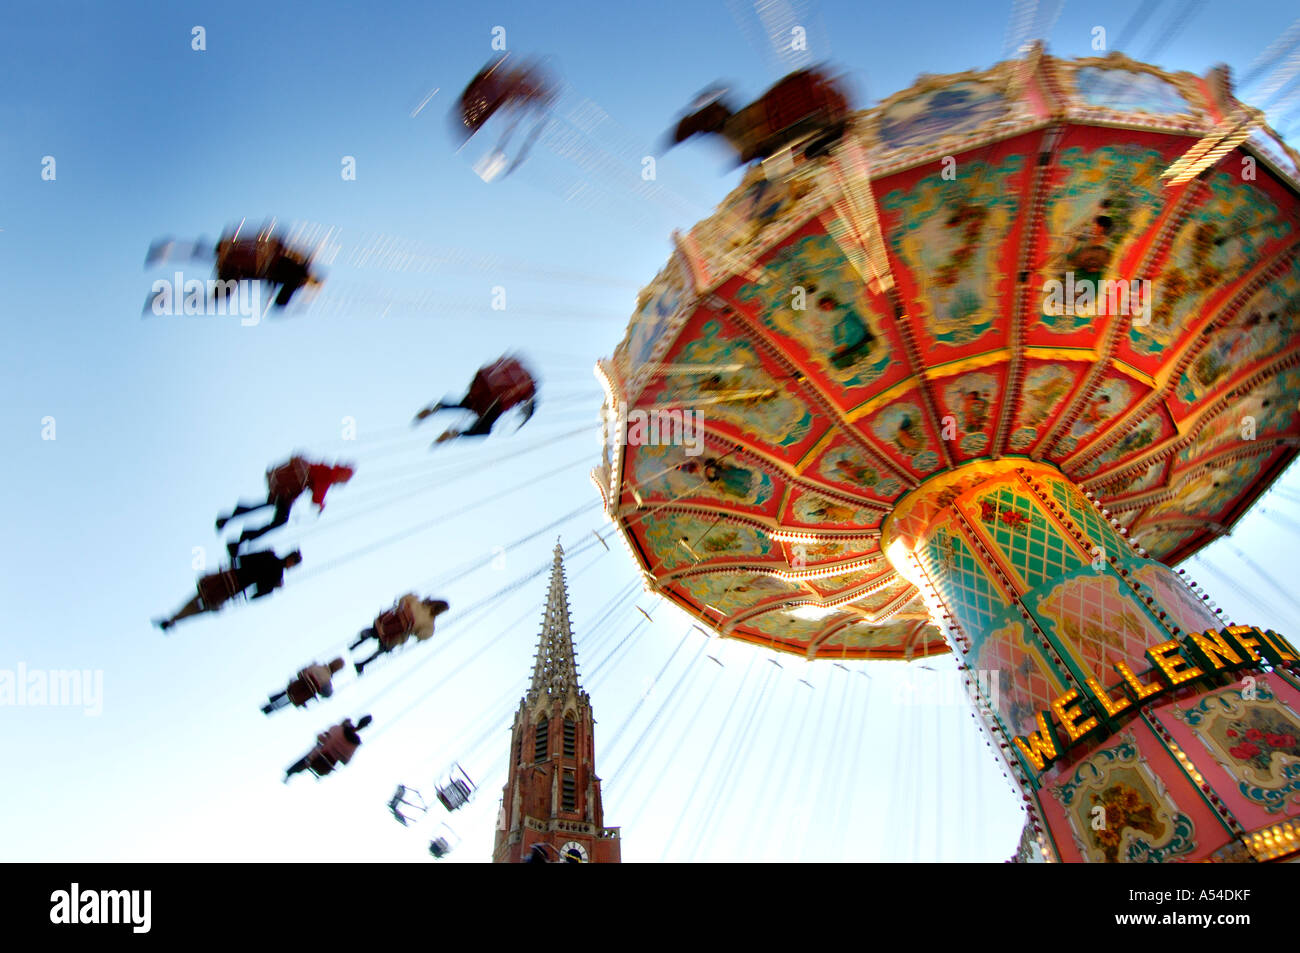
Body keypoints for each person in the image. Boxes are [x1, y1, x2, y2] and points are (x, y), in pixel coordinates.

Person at [217, 456, 354, 557]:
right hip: (287, 495)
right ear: (341, 475)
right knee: (279, 522)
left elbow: (312, 480)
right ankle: (239, 542)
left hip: (284, 489)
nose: (343, 482)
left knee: (263, 505)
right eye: (344, 479)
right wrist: (321, 505)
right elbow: (316, 499)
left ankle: (228, 518)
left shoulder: (324, 467)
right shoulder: (328, 477)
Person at [154, 549, 302, 631]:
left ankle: (173, 618)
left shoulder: (269, 554)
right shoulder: (277, 575)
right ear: (291, 562)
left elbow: (245, 558)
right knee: (203, 607)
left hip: (228, 575)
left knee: (197, 597)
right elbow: (259, 591)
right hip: (232, 589)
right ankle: (174, 619)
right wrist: (275, 587)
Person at [413, 356, 537, 445]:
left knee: (467, 405)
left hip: (482, 387)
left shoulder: (515, 368)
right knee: (483, 431)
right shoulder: (529, 388)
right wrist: (518, 424)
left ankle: (437, 408)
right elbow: (528, 410)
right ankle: (455, 434)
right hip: (495, 402)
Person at [350, 594, 451, 675]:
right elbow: (422, 636)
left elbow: (403, 598)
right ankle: (362, 664)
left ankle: (357, 642)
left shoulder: (416, 600)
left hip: (385, 621)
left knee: (373, 631)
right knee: (382, 650)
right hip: (395, 636)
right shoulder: (429, 625)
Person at [284, 715, 373, 781]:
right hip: (326, 767)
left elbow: (321, 738)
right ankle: (291, 772)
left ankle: (291, 772)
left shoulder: (338, 729)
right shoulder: (354, 744)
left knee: (316, 750)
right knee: (318, 752)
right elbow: (346, 761)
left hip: (316, 757)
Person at [262, 658, 345, 714]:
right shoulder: (327, 682)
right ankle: (271, 708)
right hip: (301, 697)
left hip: (294, 687)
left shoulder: (316, 666)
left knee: (293, 687)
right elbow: (327, 694)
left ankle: (271, 701)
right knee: (297, 696)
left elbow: (300, 673)